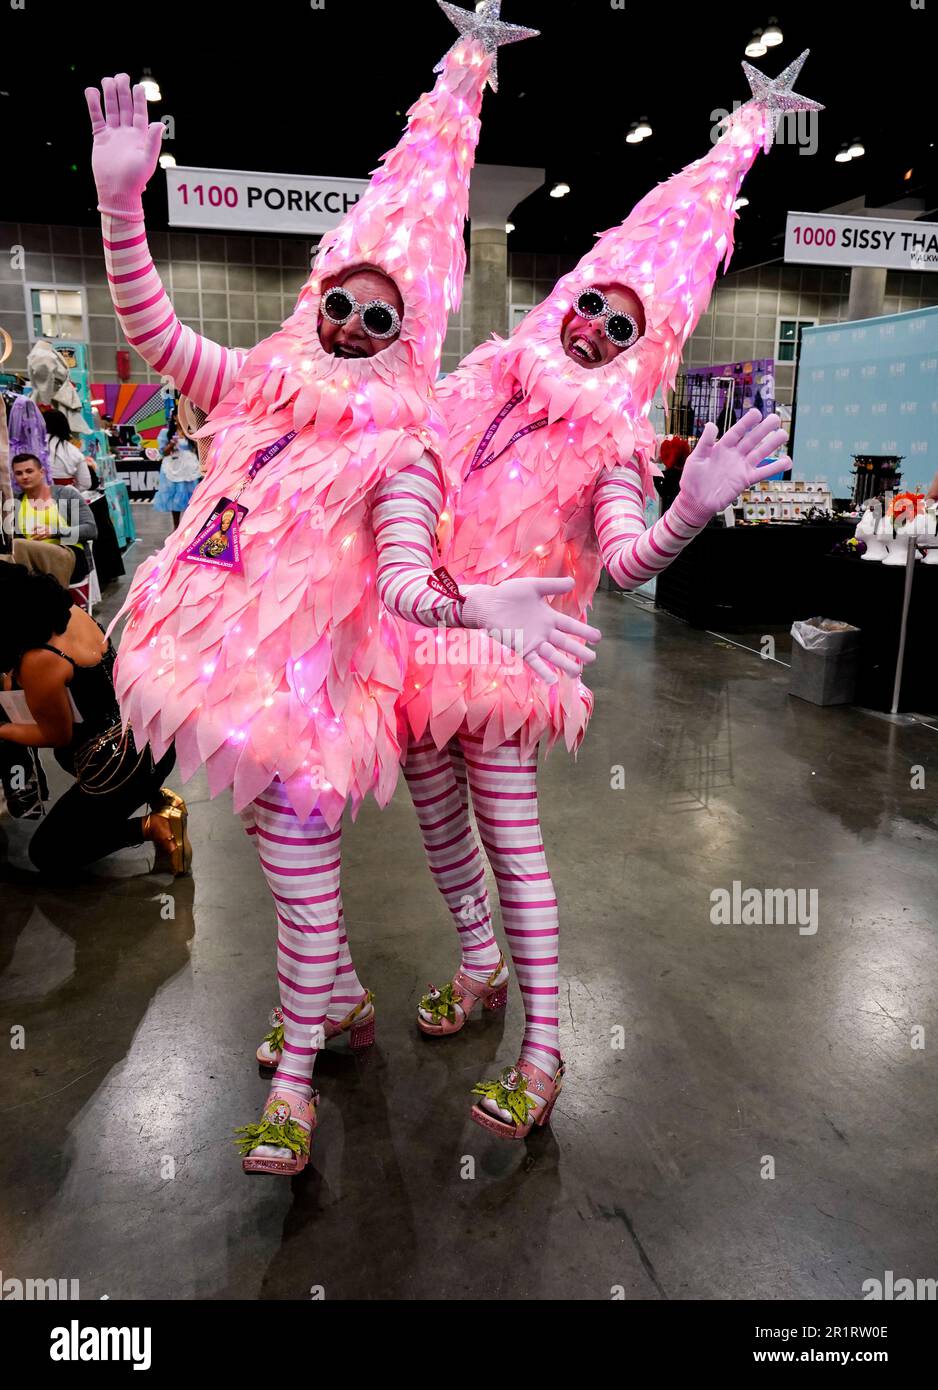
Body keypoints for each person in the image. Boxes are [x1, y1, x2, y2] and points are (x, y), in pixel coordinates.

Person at [257, 52, 819, 1139]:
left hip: (513, 662)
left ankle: (548, 1045)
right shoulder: (475, 380)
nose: (595, 332)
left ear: (641, 352)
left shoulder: (609, 443)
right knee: (437, 829)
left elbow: (618, 566)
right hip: (423, 641)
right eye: (593, 307)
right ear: (567, 293)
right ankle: (478, 969)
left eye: (623, 331)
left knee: (515, 845)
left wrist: (686, 511)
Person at [85, 4, 568, 1178]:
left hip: (302, 703)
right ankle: (339, 1005)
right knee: (276, 872)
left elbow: (402, 574)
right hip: (208, 675)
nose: (352, 323)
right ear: (315, 303)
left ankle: (297, 1088)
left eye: (379, 316)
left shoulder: (402, 449)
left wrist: (472, 608)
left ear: (409, 340)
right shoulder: (254, 386)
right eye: (341, 303)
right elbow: (155, 336)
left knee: (299, 891)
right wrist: (118, 208)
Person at [0, 563, 188, 876]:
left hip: (114, 768)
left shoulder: (40, 659)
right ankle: (148, 794)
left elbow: (55, 735)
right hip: (151, 741)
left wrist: (4, 729)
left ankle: (154, 825)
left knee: (48, 852)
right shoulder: (68, 611)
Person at [11, 452, 98, 586]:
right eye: (19, 473)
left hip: (68, 554)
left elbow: (91, 529)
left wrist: (54, 531)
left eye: (29, 471)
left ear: (42, 472)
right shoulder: (16, 502)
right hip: (31, 560)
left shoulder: (65, 494)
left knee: (19, 546)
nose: (25, 477)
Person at [153, 404, 201, 529]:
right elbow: (163, 452)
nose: (182, 417)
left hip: (189, 468)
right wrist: (171, 444)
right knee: (175, 496)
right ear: (174, 417)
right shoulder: (166, 433)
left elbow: (196, 449)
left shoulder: (190, 431)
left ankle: (189, 526)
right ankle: (176, 527)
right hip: (174, 467)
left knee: (190, 497)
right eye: (179, 415)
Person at [44, 409, 93, 490]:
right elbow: (86, 484)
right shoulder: (73, 451)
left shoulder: (32, 447)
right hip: (67, 499)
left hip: (35, 499)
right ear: (66, 426)